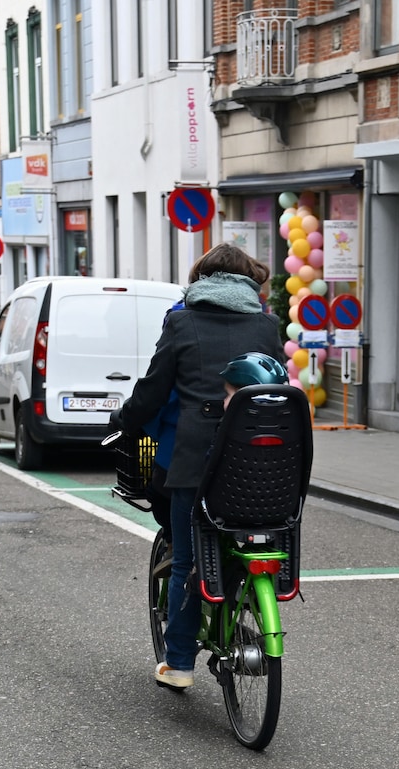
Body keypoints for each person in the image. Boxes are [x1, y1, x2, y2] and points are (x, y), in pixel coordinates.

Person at [109, 242, 288, 690]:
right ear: (250, 280)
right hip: (260, 460)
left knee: (188, 557)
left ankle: (181, 663)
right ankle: (241, 597)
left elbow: (153, 390)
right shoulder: (268, 325)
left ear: (200, 279)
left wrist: (125, 420)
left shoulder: (182, 320)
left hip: (195, 459)